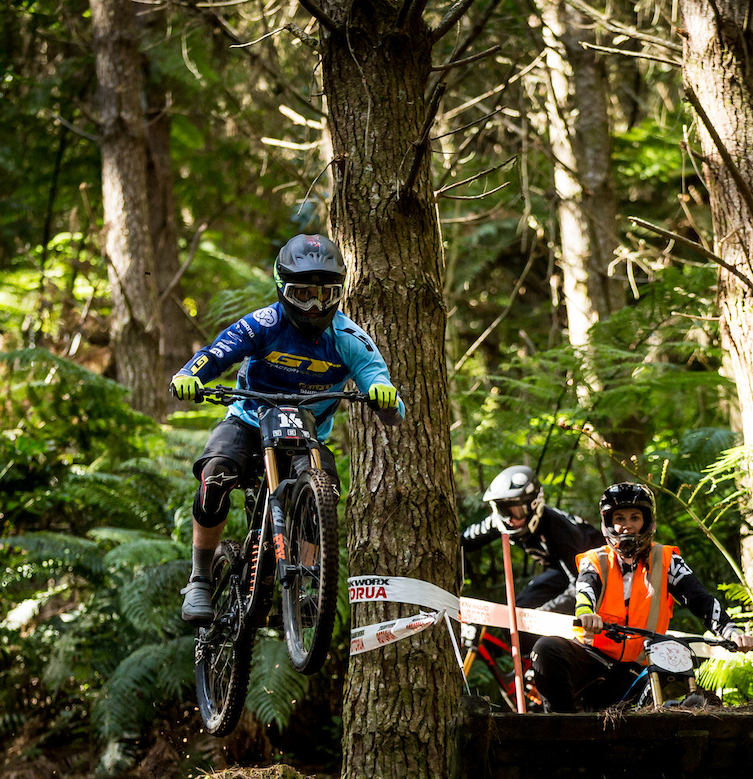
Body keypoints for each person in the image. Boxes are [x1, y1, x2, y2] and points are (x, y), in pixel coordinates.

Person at [170, 233, 404, 623]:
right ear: (282, 290)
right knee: (215, 475)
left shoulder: (347, 337)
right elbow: (217, 353)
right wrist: (189, 375)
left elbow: (375, 374)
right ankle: (200, 579)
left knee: (322, 489)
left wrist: (381, 392)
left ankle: (307, 583)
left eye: (326, 295)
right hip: (248, 419)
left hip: (305, 435)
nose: (315, 306)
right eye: (303, 294)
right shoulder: (265, 323)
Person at [531, 482, 753, 713]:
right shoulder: (595, 560)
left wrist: (731, 631)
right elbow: (585, 589)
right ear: (608, 522)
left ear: (647, 521)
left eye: (634, 518)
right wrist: (586, 613)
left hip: (637, 669)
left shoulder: (668, 561)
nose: (627, 526)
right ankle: (561, 731)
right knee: (546, 648)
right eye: (619, 518)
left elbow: (700, 600)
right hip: (592, 658)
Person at [460, 465, 603, 617]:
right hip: (563, 572)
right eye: (503, 510)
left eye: (517, 511)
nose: (510, 519)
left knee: (537, 617)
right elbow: (464, 540)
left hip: (597, 573)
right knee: (517, 611)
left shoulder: (560, 532)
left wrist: (543, 614)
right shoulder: (500, 522)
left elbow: (580, 585)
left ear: (534, 506)